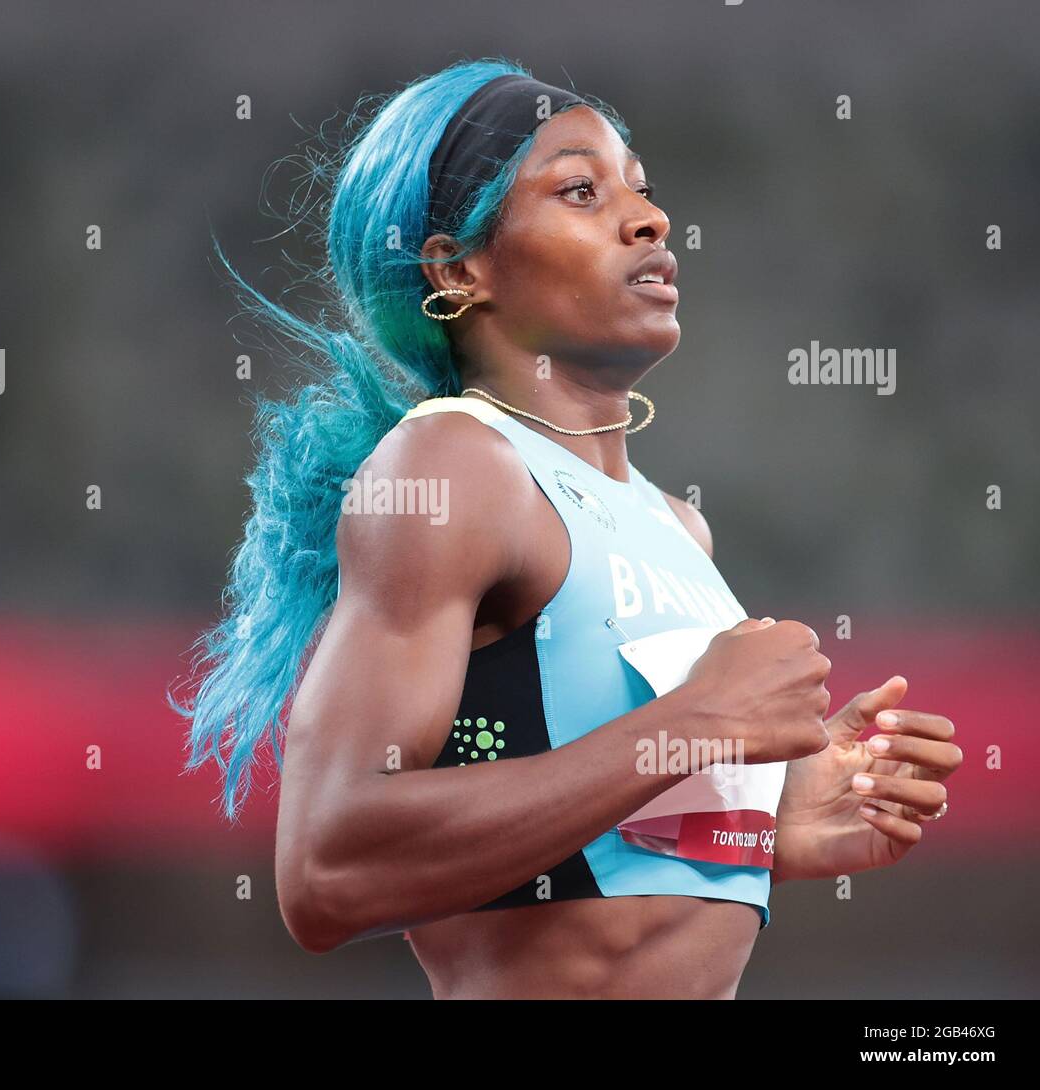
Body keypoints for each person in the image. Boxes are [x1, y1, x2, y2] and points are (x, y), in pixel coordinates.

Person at [174, 57, 962, 998]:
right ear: (457, 267)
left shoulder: (680, 529)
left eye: (643, 190)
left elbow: (599, 842)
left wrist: (763, 826)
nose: (650, 219)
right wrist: (696, 722)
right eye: (582, 191)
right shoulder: (454, 470)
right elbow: (325, 868)